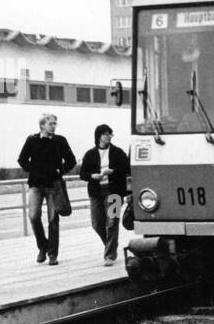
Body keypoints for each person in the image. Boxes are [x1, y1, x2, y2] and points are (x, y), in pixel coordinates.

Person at [17, 113, 76, 266]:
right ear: (42, 125)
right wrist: (33, 170)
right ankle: (42, 246)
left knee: (53, 219)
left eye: (55, 123)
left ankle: (52, 254)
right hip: (36, 184)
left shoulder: (60, 141)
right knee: (34, 216)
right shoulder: (32, 140)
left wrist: (60, 171)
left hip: (53, 185)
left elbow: (71, 160)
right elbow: (22, 159)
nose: (54, 126)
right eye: (51, 123)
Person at [79, 124, 131, 266]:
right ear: (99, 136)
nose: (109, 136)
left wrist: (112, 171)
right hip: (96, 192)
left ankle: (109, 255)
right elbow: (82, 174)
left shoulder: (118, 152)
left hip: (114, 192)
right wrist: (92, 176)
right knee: (96, 223)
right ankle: (111, 244)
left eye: (110, 134)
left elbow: (127, 169)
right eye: (106, 134)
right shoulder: (90, 154)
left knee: (112, 222)